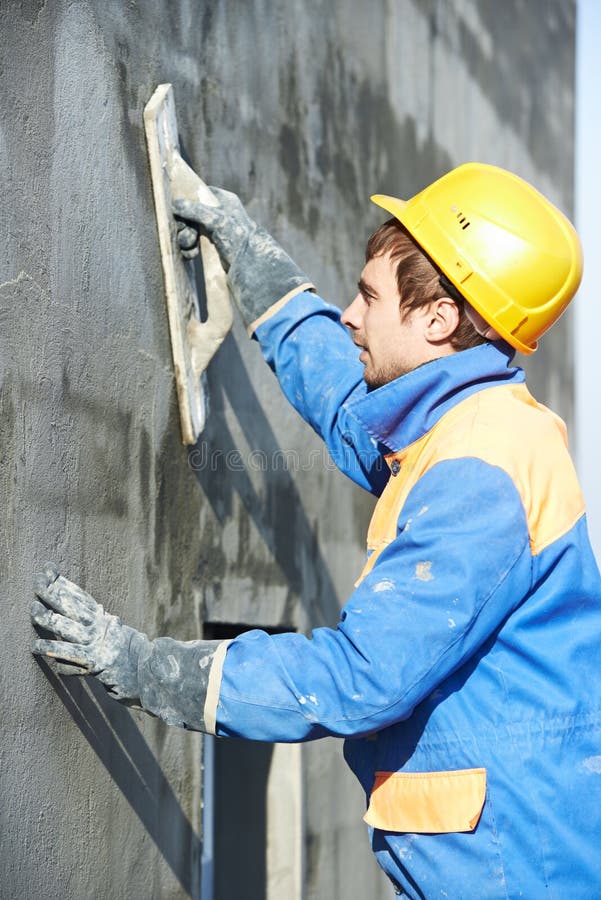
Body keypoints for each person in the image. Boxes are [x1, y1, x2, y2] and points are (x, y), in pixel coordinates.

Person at [31, 163, 601, 898]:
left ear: (436, 320)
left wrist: (149, 669)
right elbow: (348, 403)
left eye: (368, 296)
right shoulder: (461, 422)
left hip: (511, 873)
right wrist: (249, 254)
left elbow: (361, 678)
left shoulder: (479, 469)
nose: (351, 317)